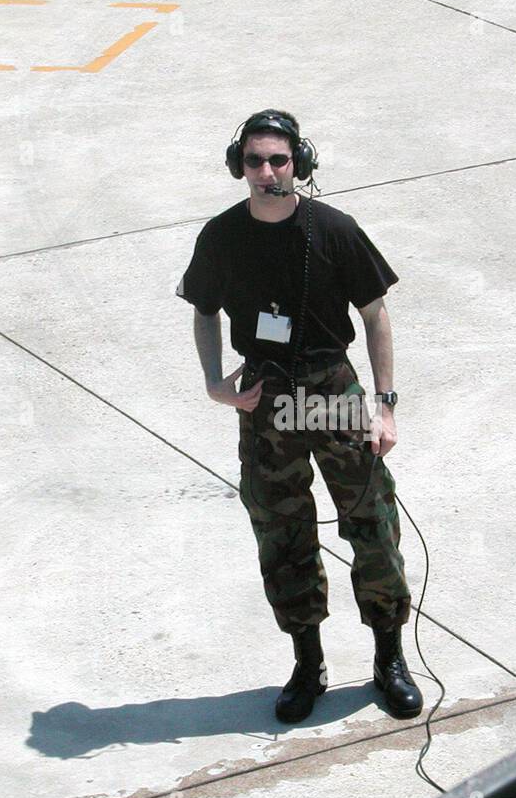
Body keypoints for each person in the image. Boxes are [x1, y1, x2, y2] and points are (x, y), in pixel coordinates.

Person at [176, 109, 423, 724]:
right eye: (255, 161)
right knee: (281, 530)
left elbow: (375, 315)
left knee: (371, 522)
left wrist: (385, 406)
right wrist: (214, 384)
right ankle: (307, 662)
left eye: (278, 160)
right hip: (264, 396)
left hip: (331, 389)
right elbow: (204, 310)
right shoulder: (221, 236)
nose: (267, 172)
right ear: (240, 167)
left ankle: (388, 656)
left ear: (299, 164)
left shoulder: (334, 230)